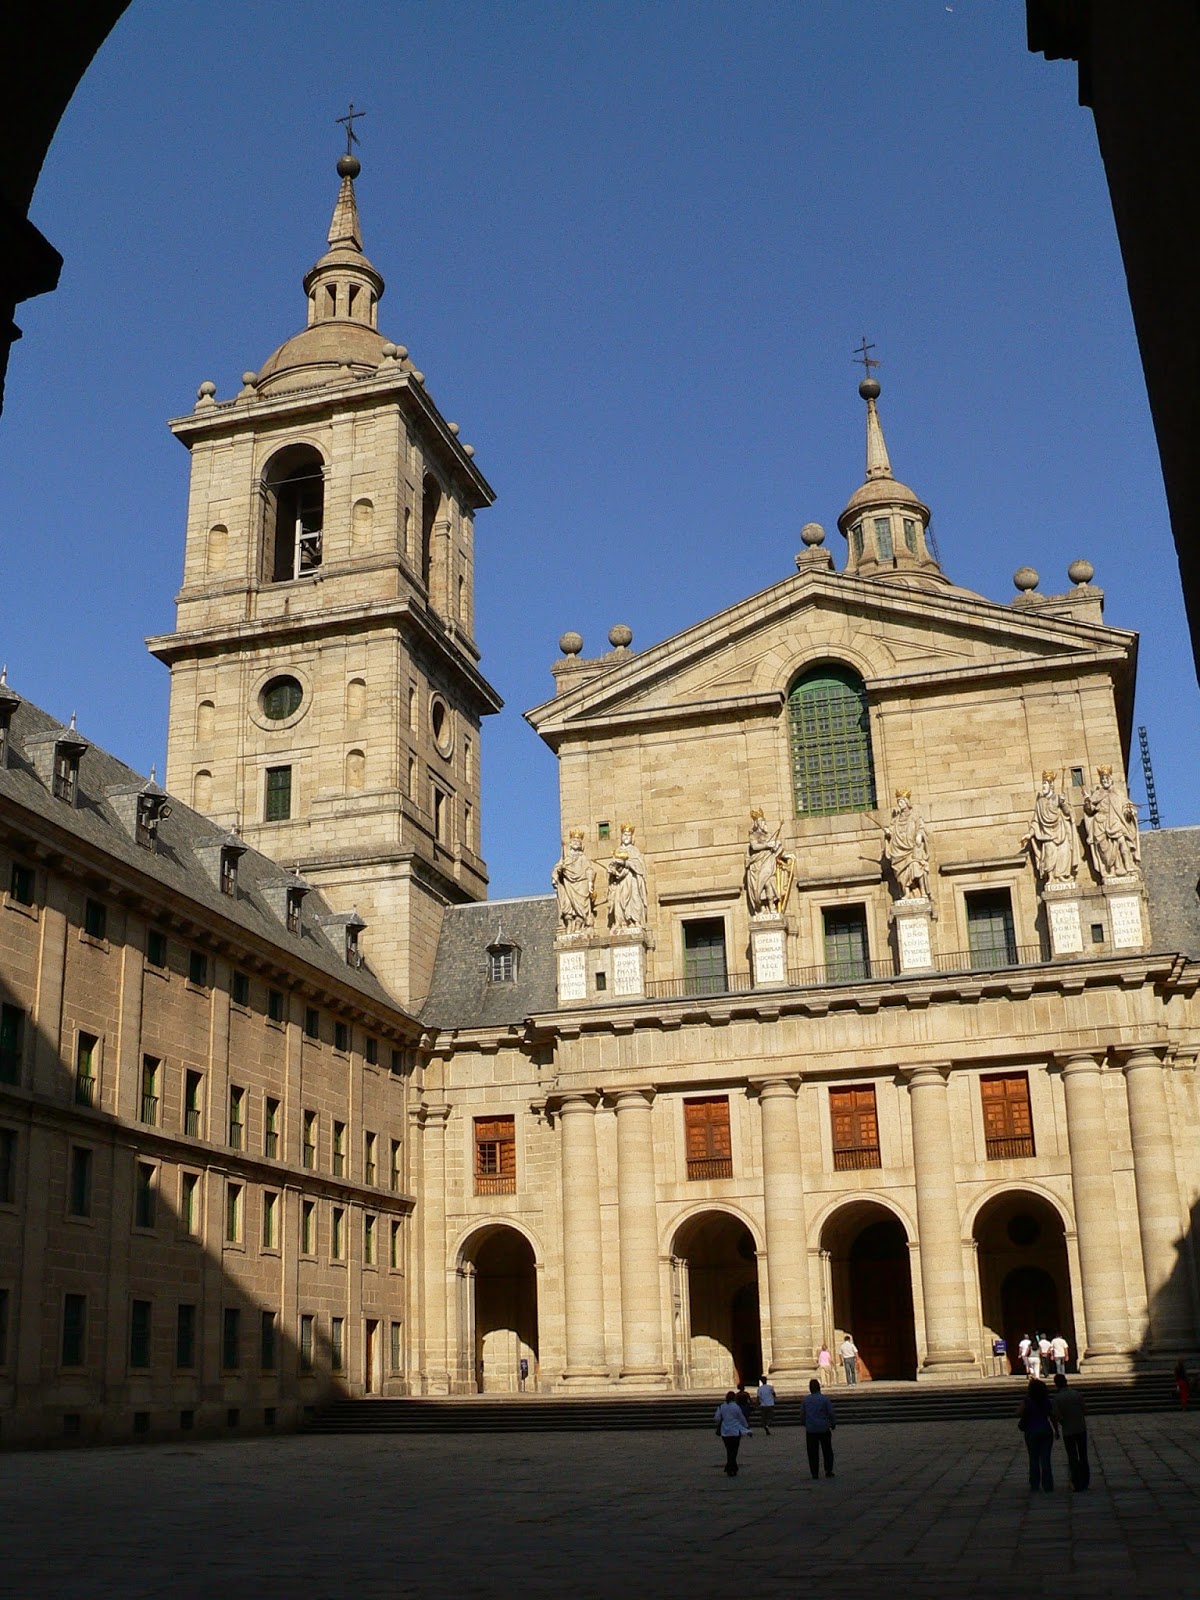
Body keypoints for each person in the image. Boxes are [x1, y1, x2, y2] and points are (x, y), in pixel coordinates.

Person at [1082, 765, 1140, 881]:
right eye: (1102, 779)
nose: (1104, 781)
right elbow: (1090, 810)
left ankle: (1127, 865)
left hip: (1115, 821)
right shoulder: (1097, 794)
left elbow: (1125, 806)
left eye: (1106, 778)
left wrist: (1129, 811)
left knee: (1122, 841)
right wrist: (1088, 800)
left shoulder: (1118, 792)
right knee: (1105, 849)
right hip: (1101, 823)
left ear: (1111, 778)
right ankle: (1112, 869)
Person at [1021, 772, 1079, 883]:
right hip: (1047, 835)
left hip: (1061, 832)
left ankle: (1061, 875)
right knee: (1049, 853)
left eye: (1045, 784)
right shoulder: (1040, 802)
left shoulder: (1058, 798)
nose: (1043, 787)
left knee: (1063, 853)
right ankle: (1051, 877)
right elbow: (1036, 821)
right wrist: (1030, 834)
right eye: (1043, 784)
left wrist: (1063, 804)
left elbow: (1068, 812)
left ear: (1051, 785)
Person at [883, 787, 930, 899]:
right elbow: (892, 830)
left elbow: (921, 827)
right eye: (899, 802)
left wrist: (919, 834)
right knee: (901, 873)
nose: (900, 804)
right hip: (898, 851)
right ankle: (906, 892)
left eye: (902, 801)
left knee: (916, 867)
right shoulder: (896, 819)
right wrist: (888, 832)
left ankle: (923, 891)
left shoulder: (915, 816)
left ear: (907, 802)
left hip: (912, 849)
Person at [551, 829, 598, 934]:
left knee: (581, 907)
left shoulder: (583, 858)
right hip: (568, 885)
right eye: (574, 841)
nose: (576, 843)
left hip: (581, 885)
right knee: (567, 906)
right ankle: (569, 926)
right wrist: (558, 871)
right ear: (571, 843)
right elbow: (557, 868)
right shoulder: (565, 858)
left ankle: (578, 925)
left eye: (578, 842)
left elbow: (589, 870)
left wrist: (590, 882)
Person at [606, 822, 648, 931]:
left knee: (634, 899)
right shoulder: (618, 851)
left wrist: (626, 863)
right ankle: (621, 922)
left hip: (632, 880)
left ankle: (635, 921)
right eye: (624, 835)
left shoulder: (635, 851)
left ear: (632, 837)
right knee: (619, 901)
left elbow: (639, 866)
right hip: (621, 882)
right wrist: (612, 870)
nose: (626, 837)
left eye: (628, 835)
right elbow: (612, 866)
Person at [1018, 1378, 1058, 1491]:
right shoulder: (1046, 1401)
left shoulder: (1027, 1401)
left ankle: (1034, 1484)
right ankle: (1048, 1484)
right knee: (1046, 1459)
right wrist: (1056, 1430)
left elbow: (1018, 1412)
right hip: (1045, 1430)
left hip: (1031, 1431)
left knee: (1033, 1458)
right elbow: (1052, 1416)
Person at [1051, 1374, 1089, 1489]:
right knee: (1083, 1455)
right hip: (1081, 1428)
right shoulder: (1076, 1394)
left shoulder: (1056, 1399)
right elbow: (1085, 1409)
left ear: (1056, 1384)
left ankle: (1076, 1482)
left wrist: (1057, 1429)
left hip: (1068, 1430)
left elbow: (1055, 1415)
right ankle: (1085, 1480)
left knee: (1072, 1456)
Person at [799, 1378, 836, 1479]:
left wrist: (804, 1423)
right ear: (819, 1388)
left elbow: (802, 1414)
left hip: (811, 1429)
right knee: (827, 1450)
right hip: (824, 1428)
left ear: (810, 1389)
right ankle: (828, 1470)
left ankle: (814, 1473)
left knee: (812, 1452)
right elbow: (830, 1413)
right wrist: (833, 1423)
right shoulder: (825, 1399)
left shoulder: (806, 1400)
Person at [714, 1390, 751, 1476]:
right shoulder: (736, 1407)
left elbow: (716, 1418)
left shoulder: (722, 1407)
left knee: (728, 1449)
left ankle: (730, 1466)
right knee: (734, 1450)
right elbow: (741, 1418)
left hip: (725, 1431)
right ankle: (732, 1466)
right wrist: (747, 1427)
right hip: (735, 1431)